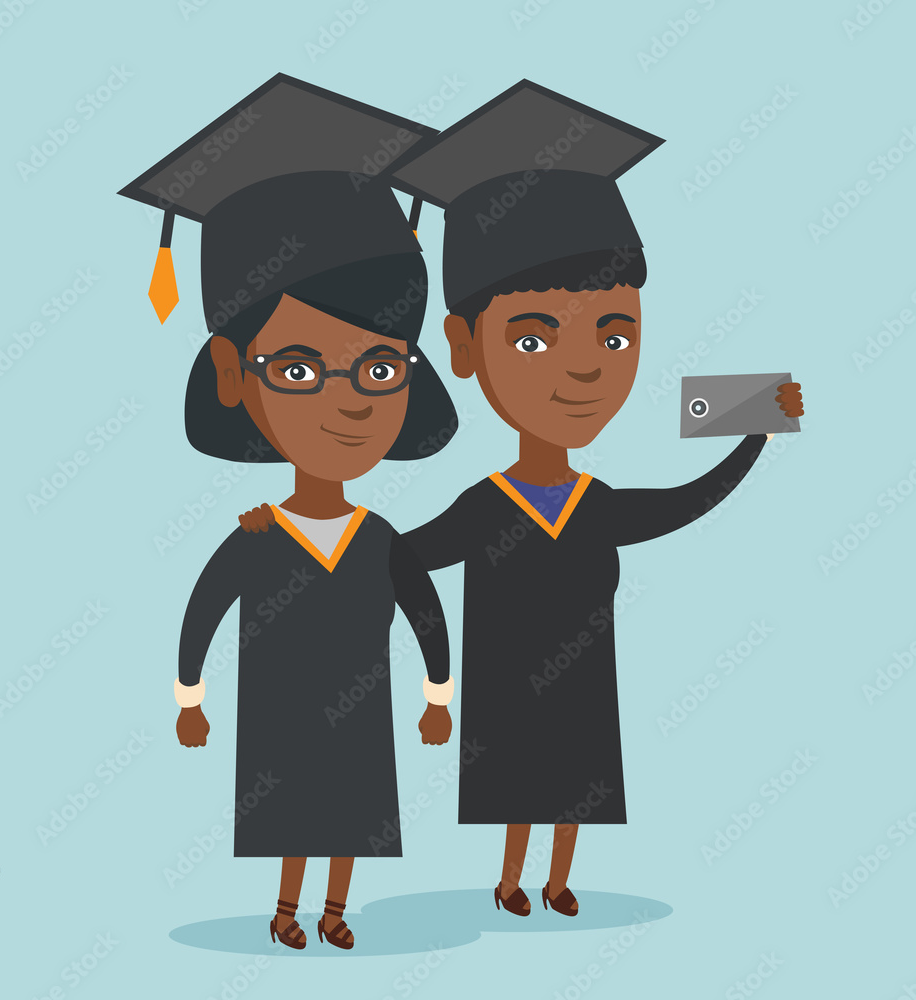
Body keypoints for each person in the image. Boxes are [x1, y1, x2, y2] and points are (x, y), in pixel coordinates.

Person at [239, 80, 805, 919]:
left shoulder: (600, 504)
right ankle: (510, 879)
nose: (583, 367)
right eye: (533, 338)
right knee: (518, 786)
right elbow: (398, 554)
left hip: (584, 688)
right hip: (507, 694)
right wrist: (294, 530)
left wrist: (753, 435)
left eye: (615, 334)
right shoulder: (485, 506)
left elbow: (684, 501)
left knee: (576, 786)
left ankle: (557, 879)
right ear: (464, 349)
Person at [119, 75, 458, 951]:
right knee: (294, 810)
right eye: (300, 370)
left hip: (364, 713)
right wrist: (189, 696)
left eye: (379, 369)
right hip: (281, 714)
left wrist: (437, 692)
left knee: (353, 813)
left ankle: (335, 913)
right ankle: (284, 908)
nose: (350, 402)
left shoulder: (380, 538)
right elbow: (203, 610)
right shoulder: (256, 539)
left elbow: (424, 610)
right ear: (234, 377)